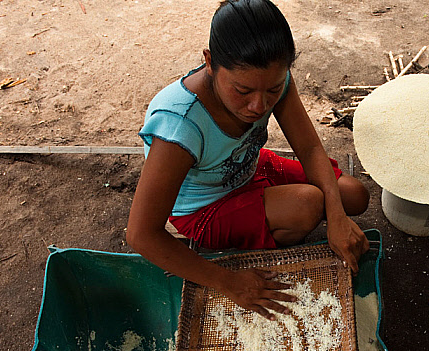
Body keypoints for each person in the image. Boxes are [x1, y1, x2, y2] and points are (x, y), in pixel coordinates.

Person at [127, 0, 370, 321]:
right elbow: (141, 235)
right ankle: (267, 232)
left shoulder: (272, 80)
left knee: (354, 195)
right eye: (243, 90)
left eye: (271, 90)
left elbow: (310, 148)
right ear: (210, 62)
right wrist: (226, 281)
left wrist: (337, 216)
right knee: (309, 204)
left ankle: (288, 214)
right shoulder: (180, 126)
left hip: (245, 167)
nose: (258, 105)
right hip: (204, 208)